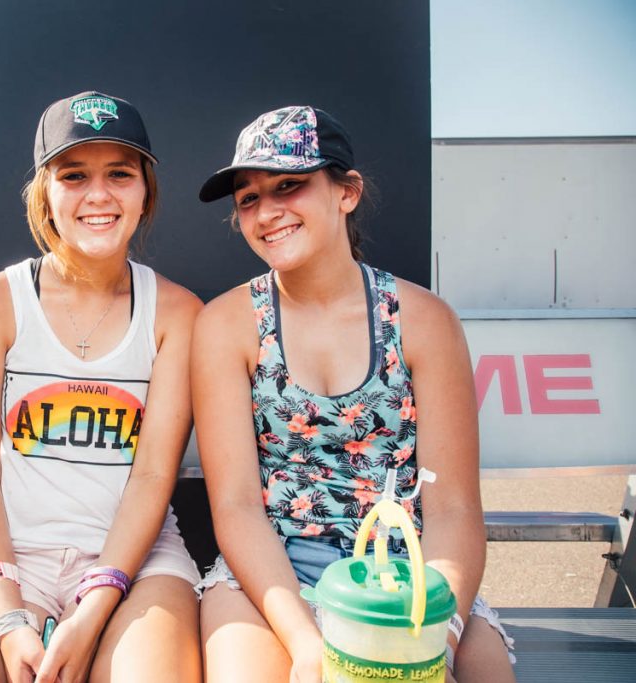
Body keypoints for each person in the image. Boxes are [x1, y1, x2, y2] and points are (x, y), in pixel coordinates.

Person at [0, 91, 202, 683]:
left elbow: (154, 477)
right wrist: (8, 618)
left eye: (120, 174)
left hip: (138, 564)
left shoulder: (177, 313)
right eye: (74, 175)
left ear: (144, 192)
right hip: (7, 557)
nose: (99, 194)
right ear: (46, 193)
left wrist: (95, 606)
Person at [191, 106, 516, 683]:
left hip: (405, 577)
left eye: (290, 186)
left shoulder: (424, 320)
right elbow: (237, 507)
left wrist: (436, 635)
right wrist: (306, 643)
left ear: (347, 192)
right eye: (248, 198)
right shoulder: (227, 324)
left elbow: (454, 507)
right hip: (273, 578)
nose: (267, 212)